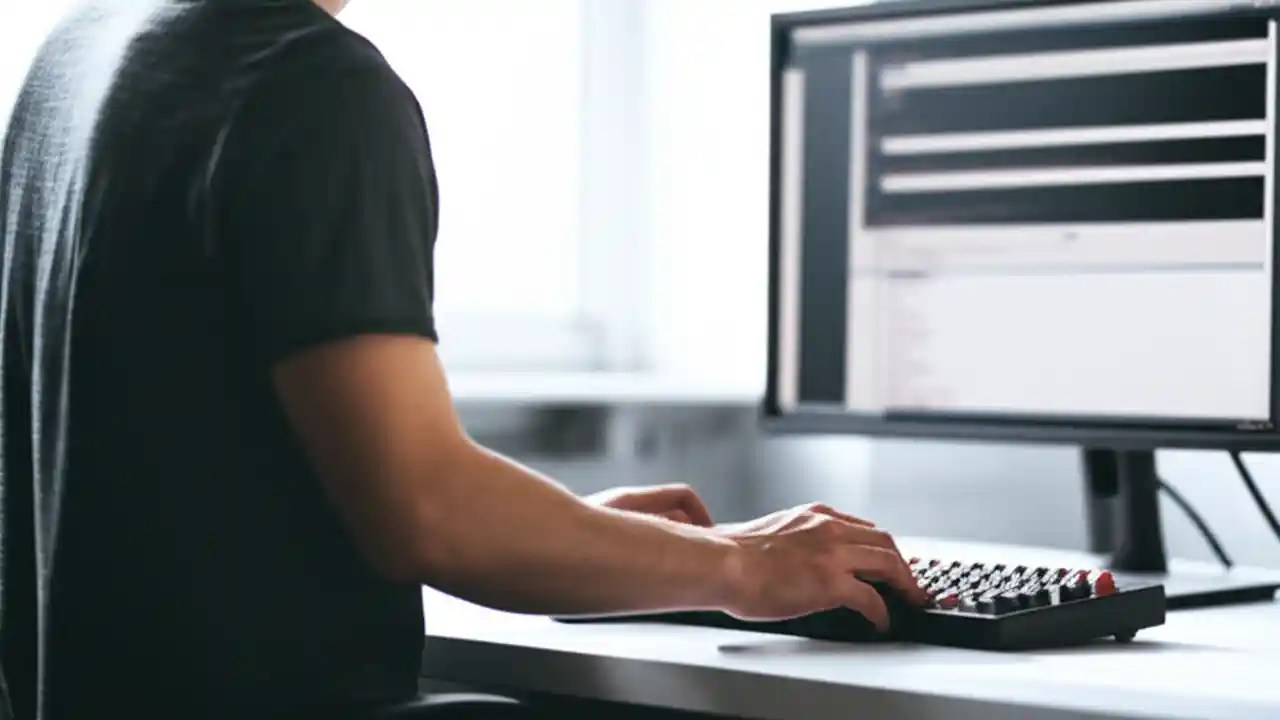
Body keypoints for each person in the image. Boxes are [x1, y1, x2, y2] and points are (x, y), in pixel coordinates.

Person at [0, 0, 928, 718]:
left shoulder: (76, 60)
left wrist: (586, 539)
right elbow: (429, 514)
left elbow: (232, 479)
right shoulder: (306, 85)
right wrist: (740, 570)